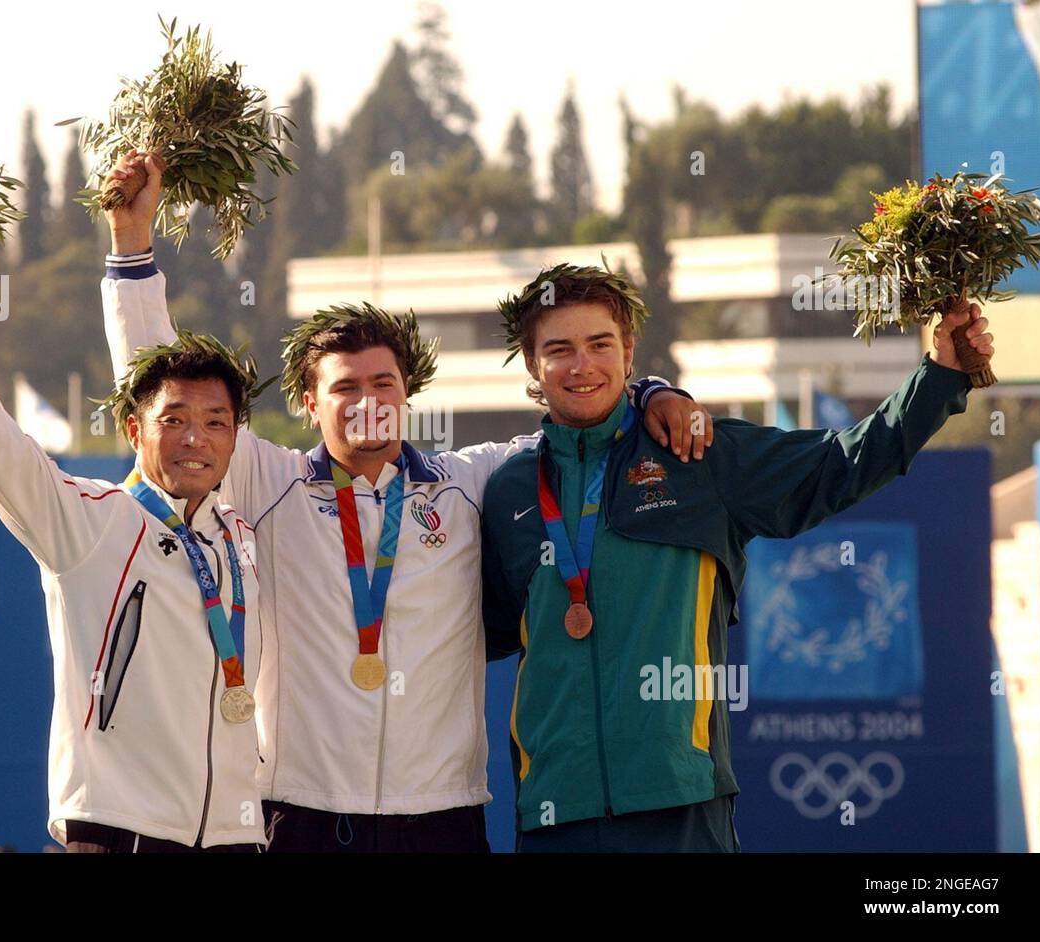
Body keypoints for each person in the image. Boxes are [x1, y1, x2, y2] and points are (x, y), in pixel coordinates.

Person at [99, 150, 716, 852]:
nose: (368, 402)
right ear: (307, 404)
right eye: (344, 388)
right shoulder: (263, 482)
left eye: (383, 383)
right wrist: (130, 244)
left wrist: (651, 389)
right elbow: (159, 386)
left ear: (408, 393)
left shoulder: (473, 482)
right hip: (301, 810)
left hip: (441, 815)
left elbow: (582, 409)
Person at [479, 260, 992, 852]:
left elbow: (842, 465)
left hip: (681, 801)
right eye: (559, 349)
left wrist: (939, 376)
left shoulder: (696, 453)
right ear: (531, 364)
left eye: (600, 344)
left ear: (628, 353)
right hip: (553, 808)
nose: (581, 365)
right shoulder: (511, 487)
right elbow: (474, 626)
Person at [0, 241, 268, 853]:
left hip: (236, 837)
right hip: (121, 831)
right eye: (174, 420)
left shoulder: (240, 537)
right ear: (135, 429)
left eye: (216, 422)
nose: (196, 438)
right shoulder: (92, 521)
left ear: (234, 437)